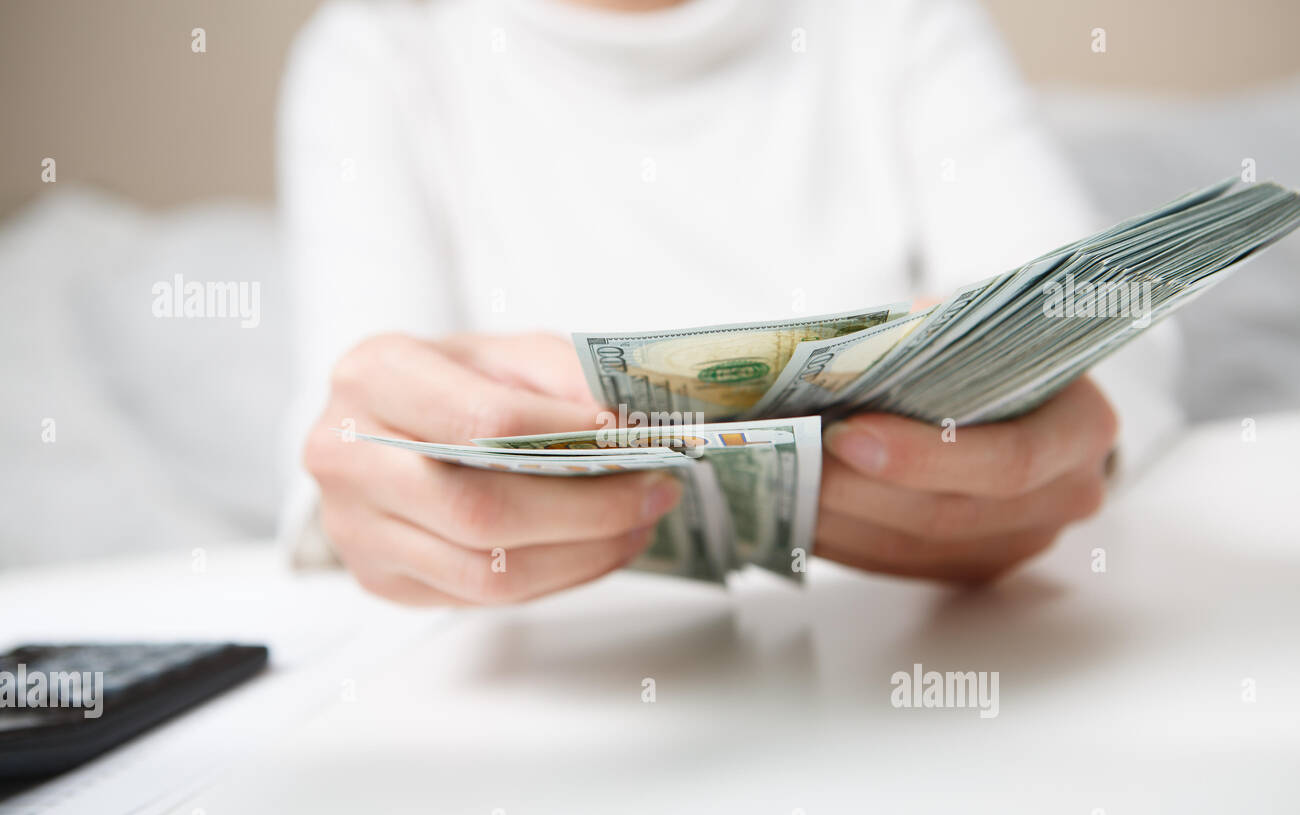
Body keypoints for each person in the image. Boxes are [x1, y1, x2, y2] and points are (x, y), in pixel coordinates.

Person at [278, 0, 1183, 605]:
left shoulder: (899, 18)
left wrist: (1063, 451)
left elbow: (1102, 325)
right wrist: (369, 494)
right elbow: (348, 429)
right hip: (541, 706)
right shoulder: (376, 49)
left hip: (930, 639)